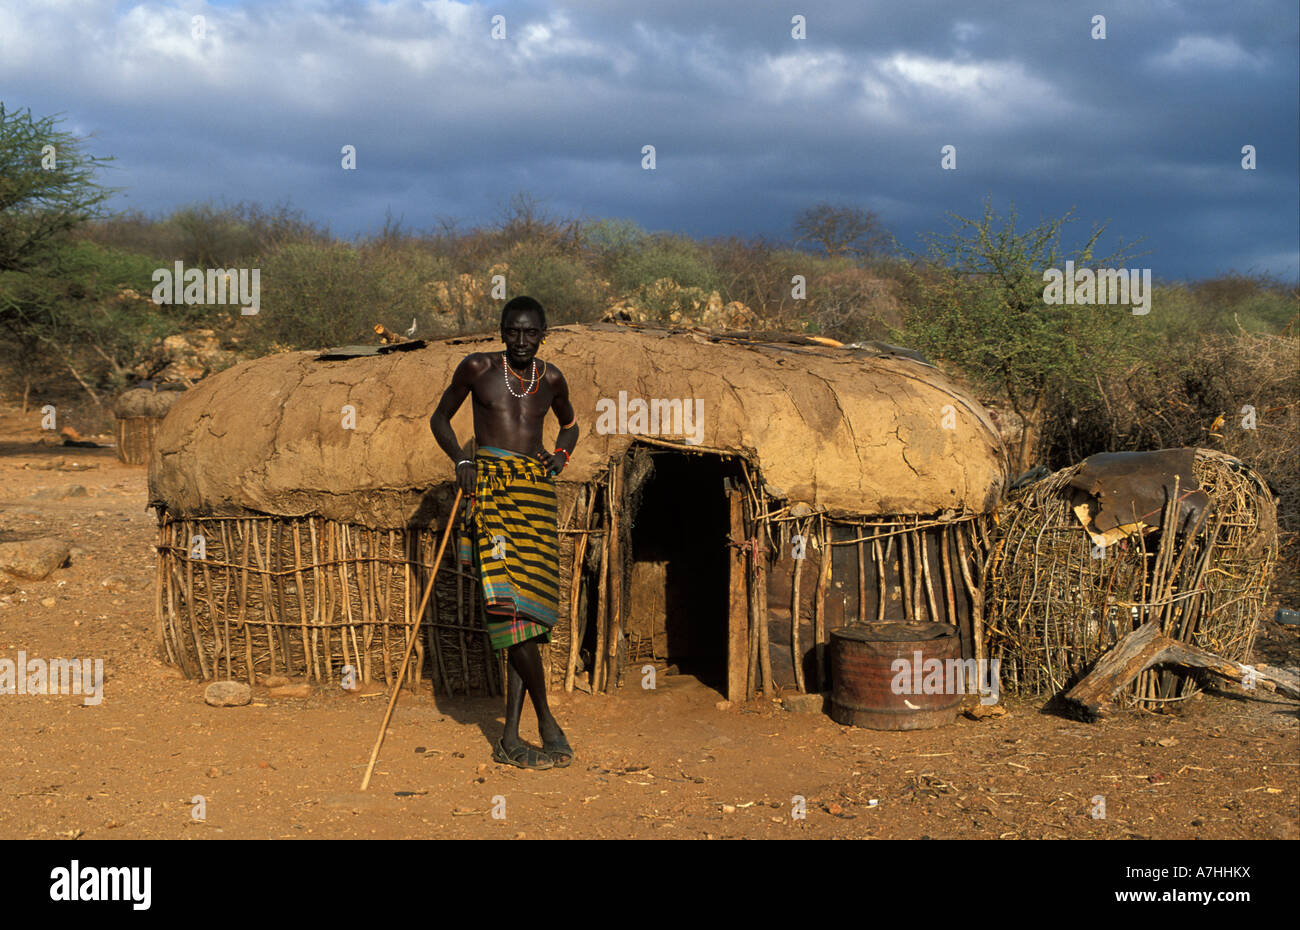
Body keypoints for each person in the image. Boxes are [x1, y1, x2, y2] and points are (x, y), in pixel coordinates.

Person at [429, 296, 578, 769]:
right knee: (508, 607)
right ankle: (546, 721)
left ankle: (510, 737)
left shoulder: (551, 378)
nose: (521, 340)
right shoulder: (476, 368)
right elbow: (439, 418)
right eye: (513, 331)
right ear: (500, 330)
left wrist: (560, 456)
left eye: (530, 332)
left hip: (534, 498)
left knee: (526, 620)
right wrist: (462, 459)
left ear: (543, 333)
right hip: (492, 495)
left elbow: (571, 427)